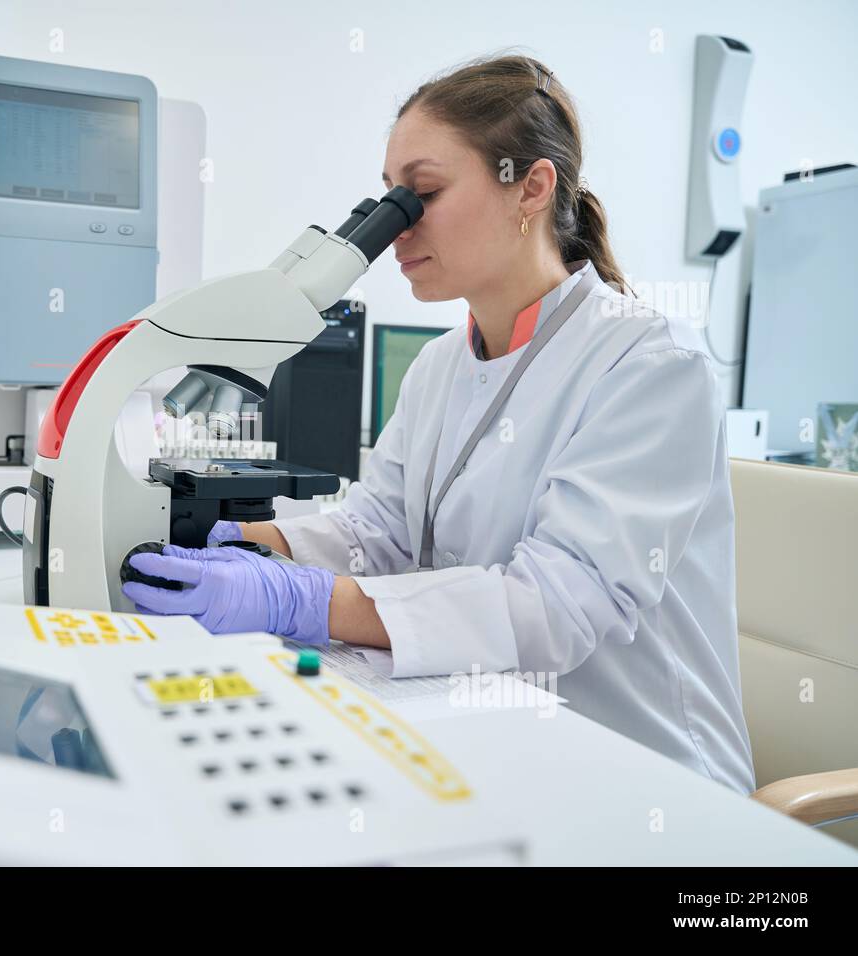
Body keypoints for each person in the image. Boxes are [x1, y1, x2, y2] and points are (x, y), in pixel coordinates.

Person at [122, 54, 755, 794]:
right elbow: (380, 533)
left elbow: (558, 605)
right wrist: (235, 542)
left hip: (643, 775)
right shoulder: (440, 365)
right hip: (481, 733)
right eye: (389, 198)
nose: (396, 230)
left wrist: (301, 599)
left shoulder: (650, 364)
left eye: (421, 193)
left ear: (532, 187)